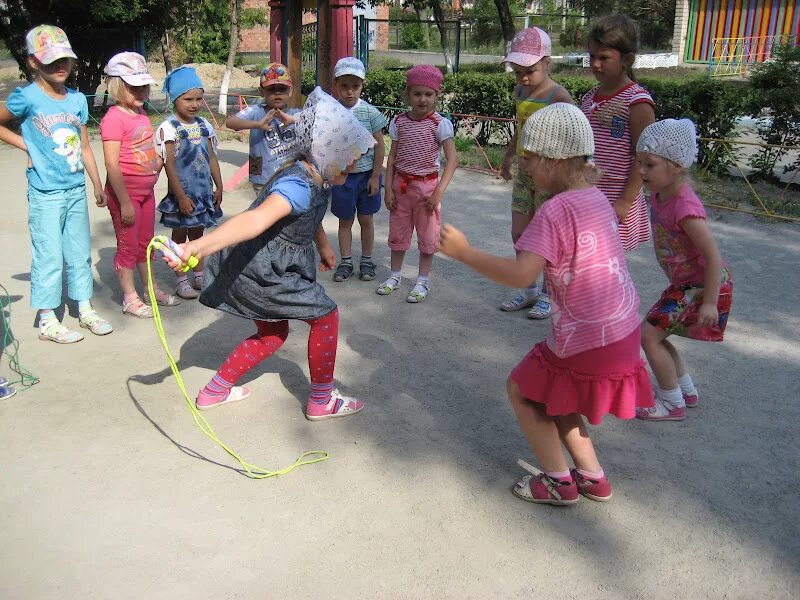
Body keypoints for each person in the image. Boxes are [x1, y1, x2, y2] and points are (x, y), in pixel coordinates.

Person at [438, 103, 653, 505]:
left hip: (587, 337)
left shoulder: (554, 210)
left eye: (529, 158)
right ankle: (593, 477)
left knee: (522, 390)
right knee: (557, 394)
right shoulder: (598, 198)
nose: (525, 168)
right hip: (623, 332)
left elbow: (522, 275)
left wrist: (465, 253)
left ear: (554, 159)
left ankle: (558, 482)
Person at [164, 88, 375, 419]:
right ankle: (321, 400)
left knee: (273, 332)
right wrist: (195, 247)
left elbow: (306, 215)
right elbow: (255, 220)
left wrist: (321, 244)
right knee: (326, 316)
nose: (355, 160)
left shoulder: (314, 175)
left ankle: (215, 391)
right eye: (348, 152)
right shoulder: (297, 185)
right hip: (265, 271)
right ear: (324, 149)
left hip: (254, 266)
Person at [0, 25, 112, 343]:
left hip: (75, 190)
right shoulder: (26, 97)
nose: (60, 66)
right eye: (50, 60)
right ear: (33, 62)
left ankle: (84, 308)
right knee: (49, 256)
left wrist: (96, 183)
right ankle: (48, 319)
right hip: (45, 193)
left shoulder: (76, 100)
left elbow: (85, 146)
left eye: (64, 59)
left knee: (79, 253)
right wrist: (26, 146)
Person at [635, 119, 733, 421]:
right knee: (658, 336)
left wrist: (709, 302)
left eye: (649, 165)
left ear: (676, 167)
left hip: (701, 286)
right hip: (685, 284)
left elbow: (713, 257)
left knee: (648, 336)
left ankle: (671, 402)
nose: (641, 171)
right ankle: (686, 391)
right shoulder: (658, 193)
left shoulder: (685, 207)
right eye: (640, 163)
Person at [499, 27, 573, 319]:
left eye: (529, 71)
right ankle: (528, 287)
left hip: (549, 179)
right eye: (518, 72)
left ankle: (548, 293)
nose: (523, 78)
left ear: (547, 62)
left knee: (547, 237)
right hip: (524, 173)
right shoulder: (520, 92)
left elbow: (574, 138)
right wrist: (508, 157)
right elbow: (521, 128)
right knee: (519, 232)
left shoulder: (559, 96)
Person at [100, 52, 180, 319]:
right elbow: (112, 165)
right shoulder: (114, 118)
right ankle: (130, 298)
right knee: (128, 247)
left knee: (145, 245)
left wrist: (159, 161)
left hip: (146, 194)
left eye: (144, 86)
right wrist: (124, 202)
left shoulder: (141, 113)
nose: (141, 92)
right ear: (116, 86)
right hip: (126, 196)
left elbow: (144, 151)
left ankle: (150, 289)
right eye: (134, 87)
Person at [378, 65, 457, 303]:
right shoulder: (399, 122)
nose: (423, 99)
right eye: (417, 94)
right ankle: (395, 275)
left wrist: (438, 193)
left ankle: (422, 280)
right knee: (398, 233)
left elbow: (452, 160)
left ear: (437, 95)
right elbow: (392, 157)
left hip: (427, 189)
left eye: (429, 94)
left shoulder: (439, 124)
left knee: (427, 236)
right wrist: (388, 188)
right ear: (408, 94)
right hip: (401, 187)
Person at [579, 14, 656, 252]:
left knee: (608, 260)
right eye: (592, 56)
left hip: (616, 198)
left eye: (604, 57)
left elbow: (644, 158)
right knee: (585, 256)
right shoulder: (589, 98)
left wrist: (624, 201)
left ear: (627, 59)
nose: (595, 64)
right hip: (587, 194)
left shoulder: (637, 102)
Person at [156, 66, 224, 300]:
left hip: (203, 193)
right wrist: (181, 197)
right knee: (179, 237)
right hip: (182, 195)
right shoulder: (169, 128)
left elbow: (211, 157)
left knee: (198, 236)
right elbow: (169, 165)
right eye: (188, 99)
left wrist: (219, 186)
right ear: (175, 99)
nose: (194, 104)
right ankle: (181, 279)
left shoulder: (204, 125)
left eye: (198, 99)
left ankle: (199, 275)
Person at [330, 57, 388, 283]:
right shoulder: (331, 111)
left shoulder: (370, 113)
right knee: (345, 221)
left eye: (355, 86)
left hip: (366, 177)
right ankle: (345, 261)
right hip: (342, 177)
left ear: (362, 85)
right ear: (336, 84)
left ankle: (367, 260)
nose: (349, 91)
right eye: (344, 85)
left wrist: (376, 176)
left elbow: (380, 146)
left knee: (366, 219)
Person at [224, 62, 301, 198]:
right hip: (263, 179)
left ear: (290, 90)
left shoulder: (296, 114)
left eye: (282, 88)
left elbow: (319, 120)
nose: (277, 92)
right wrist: (258, 124)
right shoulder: (256, 111)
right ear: (261, 92)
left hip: (291, 177)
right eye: (271, 89)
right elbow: (230, 122)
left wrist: (293, 120)